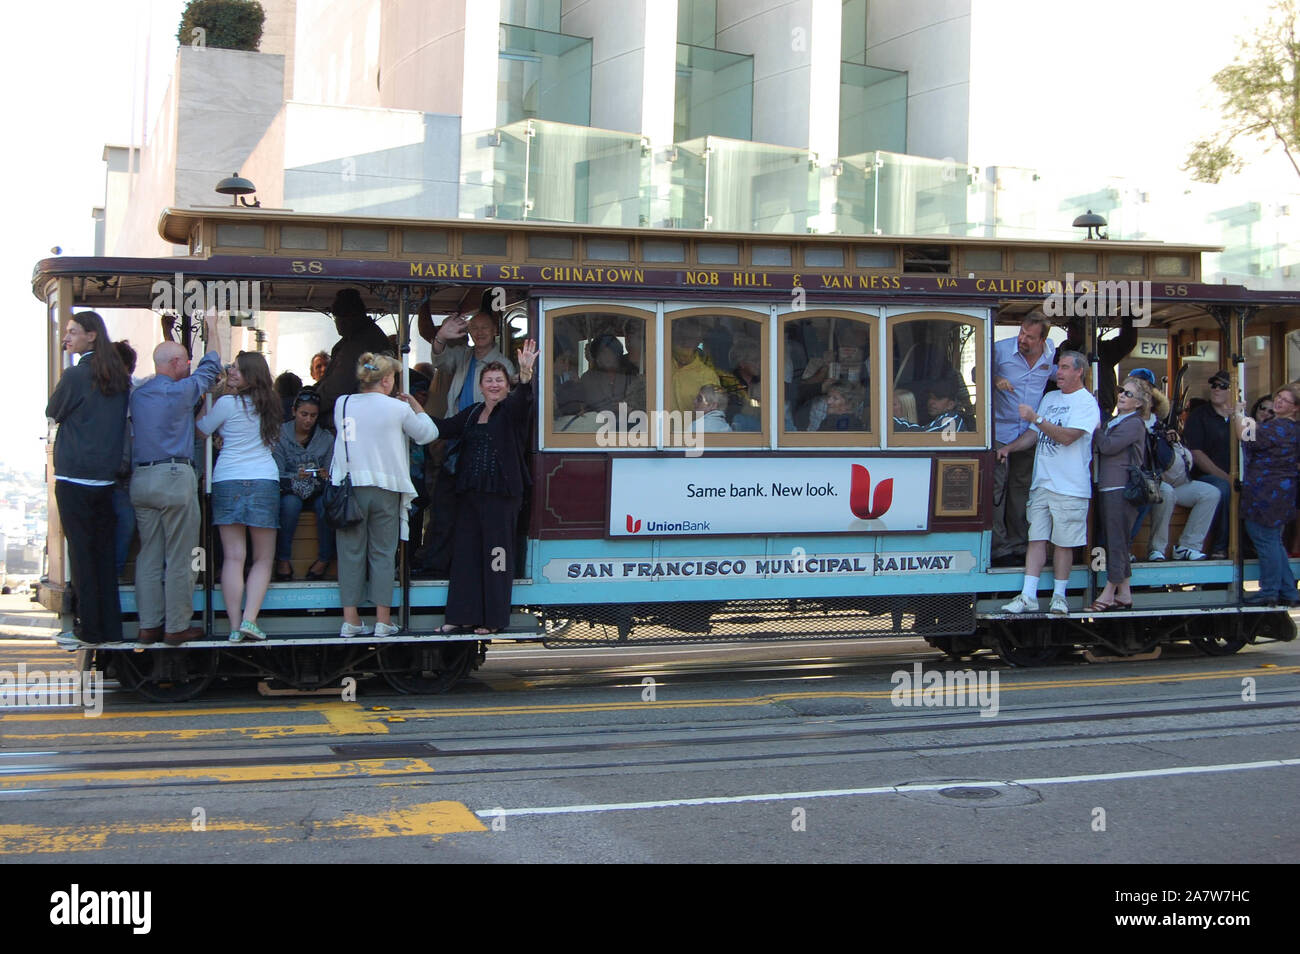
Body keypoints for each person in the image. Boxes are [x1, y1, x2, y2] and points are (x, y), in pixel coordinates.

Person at [432, 340, 537, 635]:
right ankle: (460, 617)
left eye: (499, 381)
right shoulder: (472, 412)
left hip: (501, 497)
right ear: (480, 386)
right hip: (470, 494)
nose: (493, 385)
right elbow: (442, 427)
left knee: (497, 559)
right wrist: (412, 408)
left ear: (507, 385)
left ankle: (493, 620)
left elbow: (523, 399)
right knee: (465, 557)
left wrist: (525, 373)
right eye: (488, 380)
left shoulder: (512, 410)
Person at [130, 314, 222, 644]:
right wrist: (212, 329)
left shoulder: (138, 395)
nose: (189, 365)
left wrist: (167, 331)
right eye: (185, 361)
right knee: (181, 556)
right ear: (174, 363)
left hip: (141, 480)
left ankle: (148, 625)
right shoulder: (183, 391)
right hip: (174, 477)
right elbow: (212, 367)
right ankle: (176, 627)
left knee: (149, 556)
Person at [331, 353, 437, 637]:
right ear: (388, 380)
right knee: (383, 554)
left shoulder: (342, 403)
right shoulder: (397, 409)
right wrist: (415, 405)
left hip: (351, 488)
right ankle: (382, 619)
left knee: (351, 553)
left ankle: (351, 619)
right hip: (387, 489)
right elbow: (428, 433)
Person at [414, 297, 516, 577]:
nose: (479, 332)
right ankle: (437, 564)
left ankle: (462, 565)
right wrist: (441, 336)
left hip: (484, 443)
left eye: (484, 327)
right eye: (475, 328)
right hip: (456, 437)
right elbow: (439, 359)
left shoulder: (502, 364)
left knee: (470, 510)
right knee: (443, 504)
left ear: (495, 330)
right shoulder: (464, 356)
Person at [46, 311, 131, 644]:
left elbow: (53, 411)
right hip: (105, 479)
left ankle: (90, 629)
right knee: (103, 557)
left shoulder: (75, 375)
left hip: (74, 477)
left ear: (92, 335)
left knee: (81, 557)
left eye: (73, 332)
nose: (67, 338)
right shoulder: (119, 377)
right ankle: (110, 627)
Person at [998, 351, 1101, 615]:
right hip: (1042, 482)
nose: (1059, 373)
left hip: (1070, 486)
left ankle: (1059, 596)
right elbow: (1034, 436)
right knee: (1037, 539)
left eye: (1065, 368)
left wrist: (1037, 418)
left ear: (1080, 372)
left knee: (1064, 544)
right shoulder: (1050, 398)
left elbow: (1068, 437)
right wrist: (1009, 448)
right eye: (1058, 367)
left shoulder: (1086, 403)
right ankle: (1028, 595)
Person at [197, 352, 281, 642]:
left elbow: (201, 431)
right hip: (263, 478)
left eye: (237, 369)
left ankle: (234, 626)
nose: (231, 371)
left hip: (227, 478)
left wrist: (210, 397)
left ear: (249, 375)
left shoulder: (225, 404)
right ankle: (250, 620)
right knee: (263, 558)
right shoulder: (271, 404)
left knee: (233, 557)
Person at [991, 316, 1057, 566]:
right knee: (997, 490)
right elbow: (977, 370)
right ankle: (999, 547)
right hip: (999, 431)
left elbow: (1058, 379)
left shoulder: (1050, 357)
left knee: (1021, 489)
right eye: (1021, 333)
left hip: (1028, 435)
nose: (1022, 339)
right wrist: (995, 380)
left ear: (1042, 339)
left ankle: (1019, 543)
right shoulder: (1001, 349)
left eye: (1029, 337)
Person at [1091, 377, 1152, 610]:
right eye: (1121, 391)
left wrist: (1096, 430)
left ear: (1139, 403)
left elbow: (1107, 447)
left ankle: (1109, 592)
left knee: (1116, 541)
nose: (1122, 396)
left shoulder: (1134, 423)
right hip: (1109, 485)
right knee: (1119, 541)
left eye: (1128, 394)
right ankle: (1124, 593)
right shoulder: (1119, 420)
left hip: (1121, 488)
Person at [1239, 383, 1300, 605]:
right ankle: (1289, 591)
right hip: (1280, 492)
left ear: (1295, 408)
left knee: (1266, 540)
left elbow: (1246, 436)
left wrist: (1239, 413)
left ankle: (1270, 590)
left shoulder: (1279, 427)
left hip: (1266, 493)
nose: (1279, 401)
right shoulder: (1292, 428)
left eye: (1285, 399)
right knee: (1274, 541)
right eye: (1279, 396)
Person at [272, 389, 335, 582]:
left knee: (325, 505)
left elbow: (333, 472)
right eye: (304, 414)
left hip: (317, 490)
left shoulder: (326, 438)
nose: (308, 420)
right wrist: (294, 476)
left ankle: (324, 559)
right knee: (290, 505)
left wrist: (325, 474)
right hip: (290, 490)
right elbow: (276, 471)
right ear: (293, 411)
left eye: (313, 416)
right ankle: (283, 559)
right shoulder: (280, 434)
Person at [317, 288, 392, 429]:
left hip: (354, 418)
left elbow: (339, 385)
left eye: (337, 317)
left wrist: (314, 403)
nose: (337, 323)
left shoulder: (360, 344)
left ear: (349, 318)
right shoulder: (359, 339)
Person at [1183, 369, 1235, 557]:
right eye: (1214, 385)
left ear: (1235, 391)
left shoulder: (1240, 417)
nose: (1216, 389)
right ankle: (1220, 547)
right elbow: (1196, 453)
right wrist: (1227, 478)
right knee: (1223, 488)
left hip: (1237, 477)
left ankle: (1252, 545)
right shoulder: (1199, 415)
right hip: (1203, 477)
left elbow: (1251, 444)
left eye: (1223, 386)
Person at [111, 340, 139, 578]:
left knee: (126, 523)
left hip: (128, 473)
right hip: (113, 473)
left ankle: (115, 575)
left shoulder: (136, 393)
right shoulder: (101, 394)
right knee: (125, 523)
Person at [670, 319, 720, 416]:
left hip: (693, 431)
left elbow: (712, 416)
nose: (685, 342)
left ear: (698, 341)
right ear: (673, 337)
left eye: (690, 338)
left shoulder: (707, 376)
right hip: (656, 429)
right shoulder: (658, 364)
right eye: (681, 337)